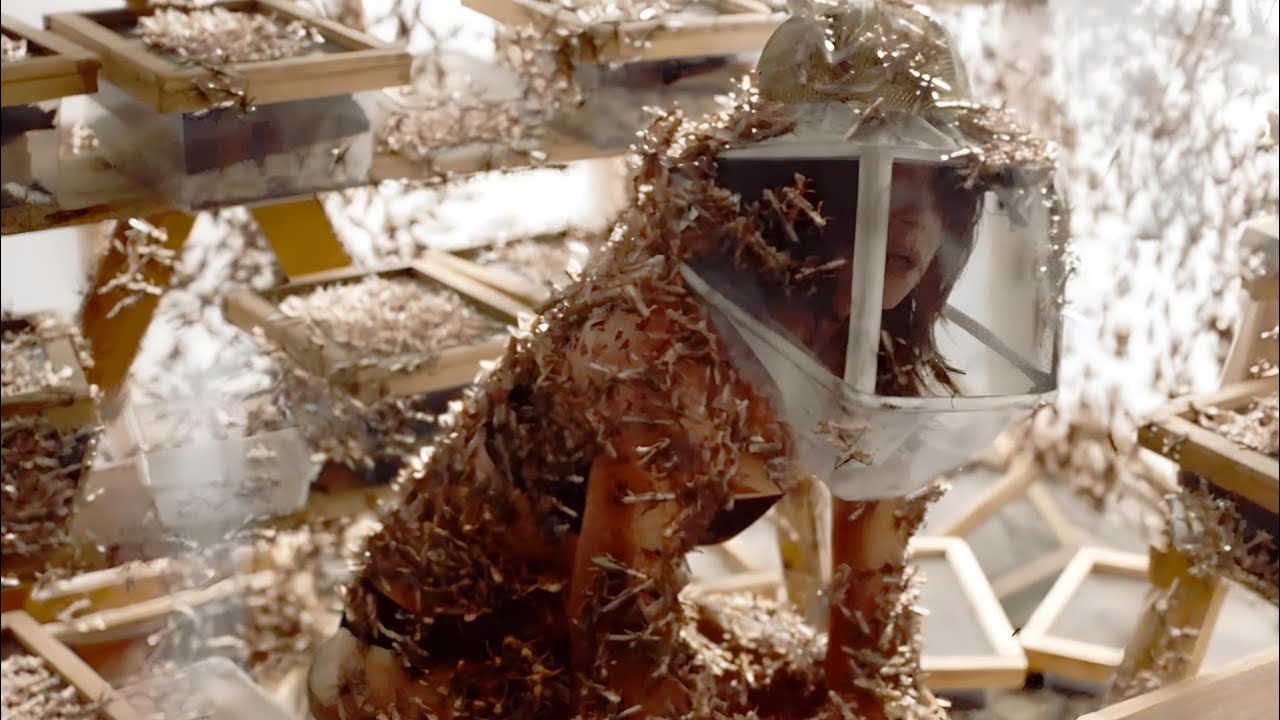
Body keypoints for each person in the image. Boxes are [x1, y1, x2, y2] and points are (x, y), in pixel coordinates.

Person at [309, 4, 1061, 719]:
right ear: (790, 189)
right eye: (874, 167)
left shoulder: (879, 335)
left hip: (579, 626)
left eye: (938, 176)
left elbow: (869, 627)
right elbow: (620, 659)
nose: (914, 213)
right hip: (436, 650)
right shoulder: (661, 348)